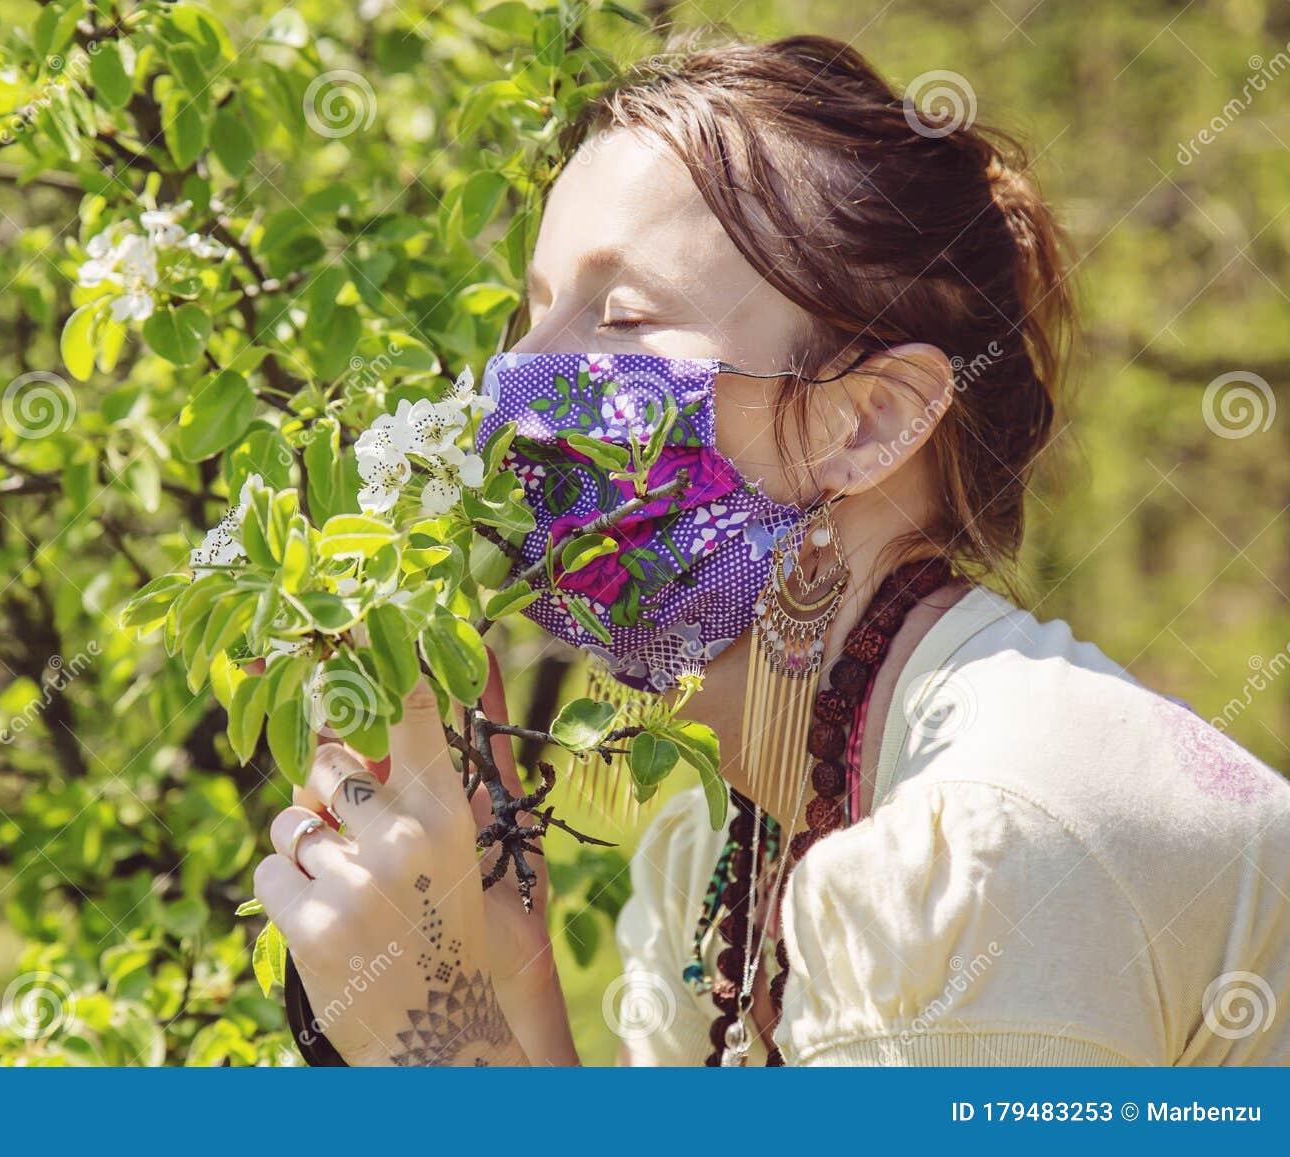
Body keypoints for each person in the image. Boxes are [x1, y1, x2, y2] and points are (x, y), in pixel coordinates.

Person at [252, 35, 1290, 1067]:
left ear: (868, 424)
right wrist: (501, 981)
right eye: (532, 313)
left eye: (620, 317)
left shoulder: (993, 838)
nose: (516, 382)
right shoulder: (721, 856)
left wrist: (435, 1051)